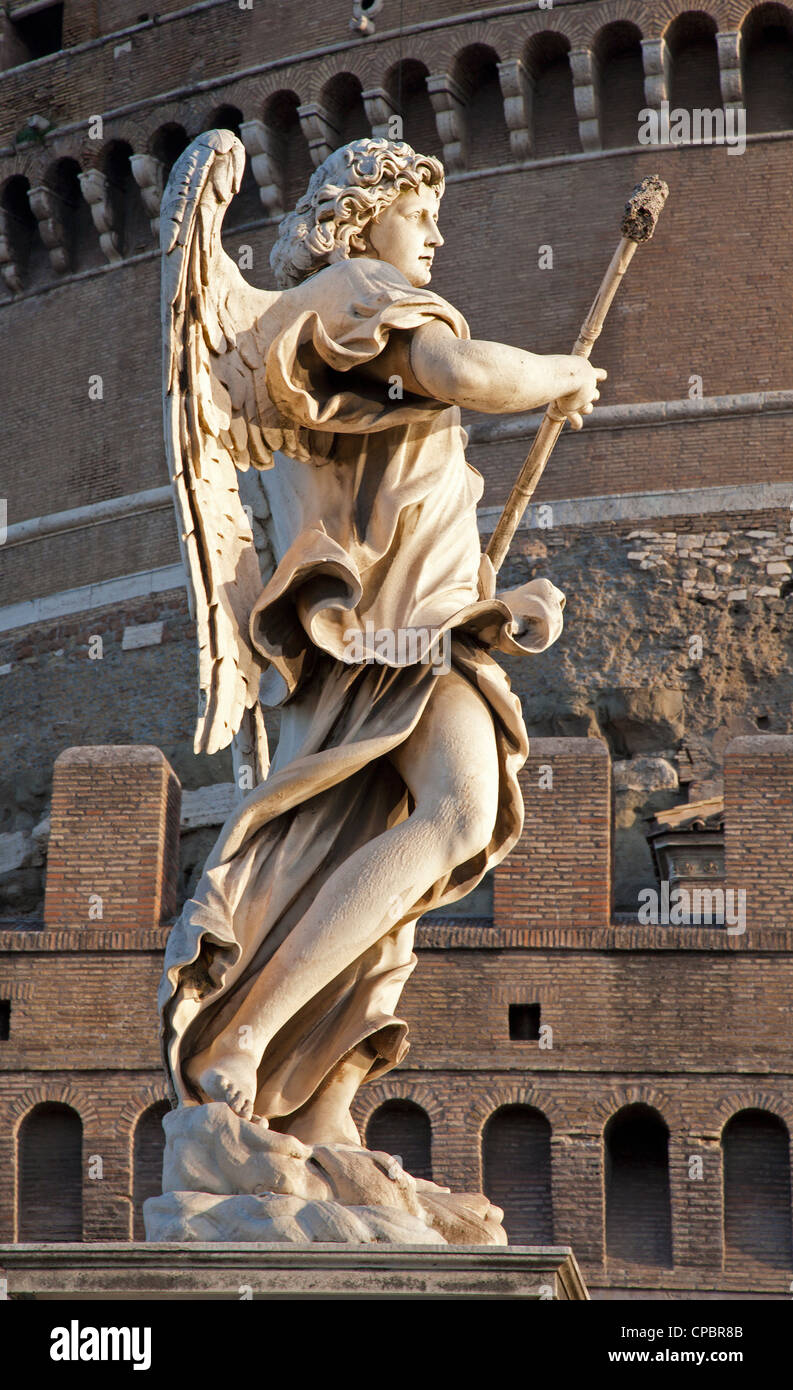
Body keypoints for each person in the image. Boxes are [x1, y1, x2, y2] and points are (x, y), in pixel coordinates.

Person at [161, 138, 605, 1147]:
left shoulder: (318, 335)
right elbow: (464, 372)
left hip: (398, 632)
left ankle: (312, 1103)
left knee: (378, 859)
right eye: (420, 213)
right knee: (454, 817)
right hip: (389, 642)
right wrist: (557, 373)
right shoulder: (354, 293)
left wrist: (496, 607)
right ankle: (243, 1042)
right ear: (357, 223)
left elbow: (402, 511)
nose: (437, 236)